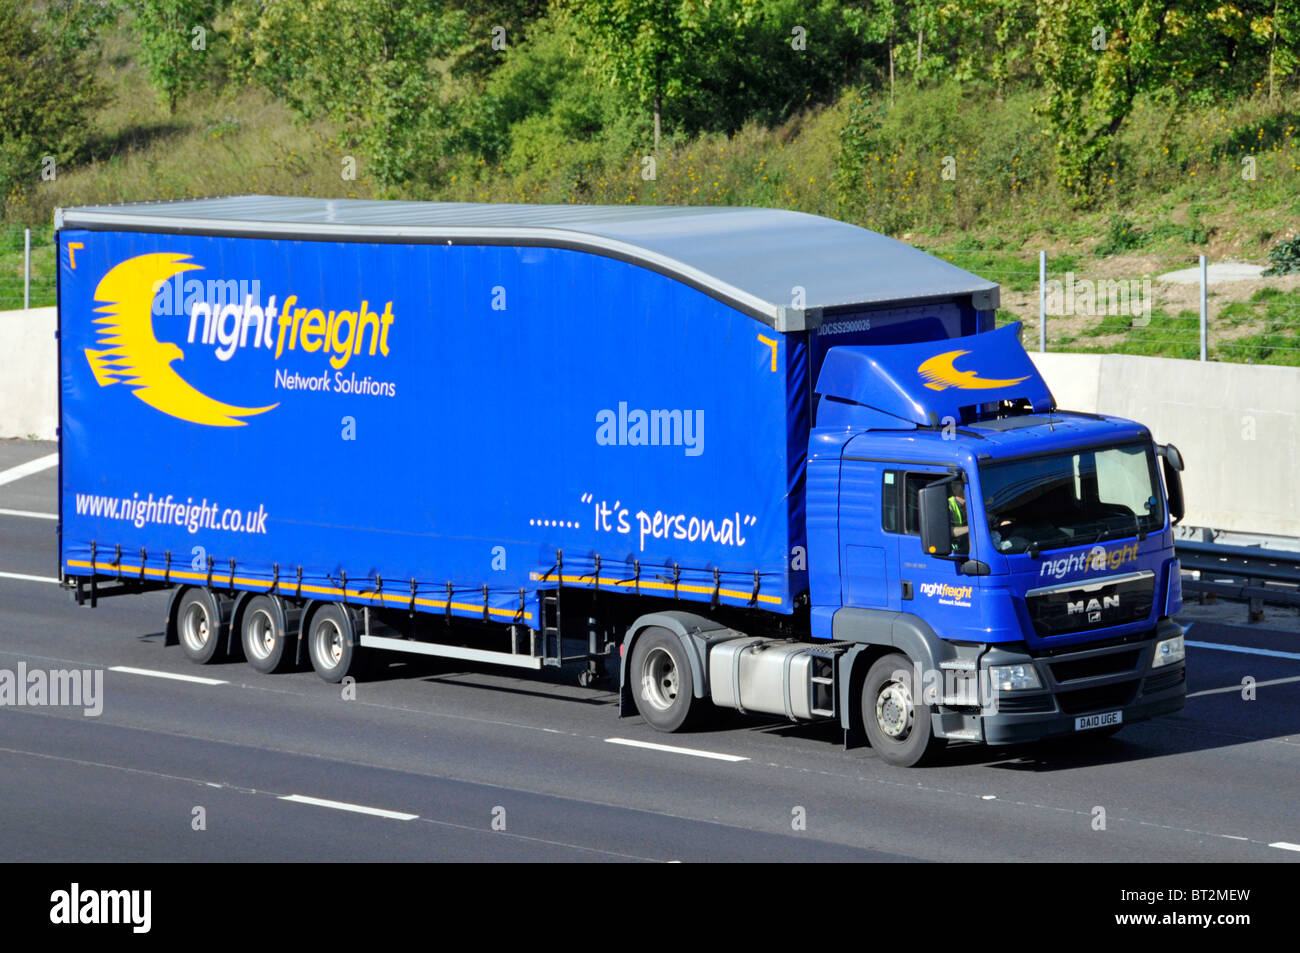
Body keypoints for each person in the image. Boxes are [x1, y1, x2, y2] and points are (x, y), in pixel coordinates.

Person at [948, 484, 969, 553]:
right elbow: (947, 531)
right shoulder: (948, 505)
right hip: (954, 551)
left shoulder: (972, 504)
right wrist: (972, 528)